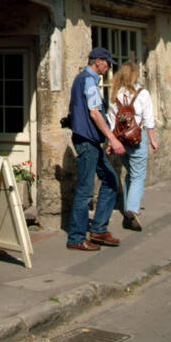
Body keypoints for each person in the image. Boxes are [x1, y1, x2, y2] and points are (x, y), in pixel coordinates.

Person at [65, 46, 124, 251]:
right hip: (86, 141)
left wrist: (105, 140)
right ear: (97, 61)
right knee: (85, 190)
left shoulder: (84, 79)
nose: (108, 67)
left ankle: (98, 229)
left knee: (110, 180)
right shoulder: (88, 80)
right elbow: (95, 114)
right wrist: (113, 140)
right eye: (107, 63)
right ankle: (76, 238)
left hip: (91, 140)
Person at [107, 60, 158, 230]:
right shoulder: (142, 93)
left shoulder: (115, 94)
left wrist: (110, 142)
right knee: (138, 175)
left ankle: (128, 205)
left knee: (131, 172)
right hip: (137, 139)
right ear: (135, 75)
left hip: (121, 140)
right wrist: (152, 139)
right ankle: (131, 210)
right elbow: (149, 119)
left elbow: (110, 121)